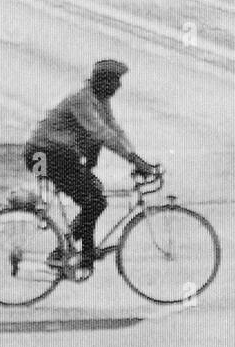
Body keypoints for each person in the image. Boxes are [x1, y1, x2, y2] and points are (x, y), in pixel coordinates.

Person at [23, 59, 157, 271]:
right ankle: (82, 256)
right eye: (115, 81)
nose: (119, 86)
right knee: (93, 201)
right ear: (102, 81)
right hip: (44, 155)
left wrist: (137, 158)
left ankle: (70, 250)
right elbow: (101, 133)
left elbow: (114, 130)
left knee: (96, 199)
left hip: (59, 154)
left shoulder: (98, 100)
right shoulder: (82, 101)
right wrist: (136, 162)